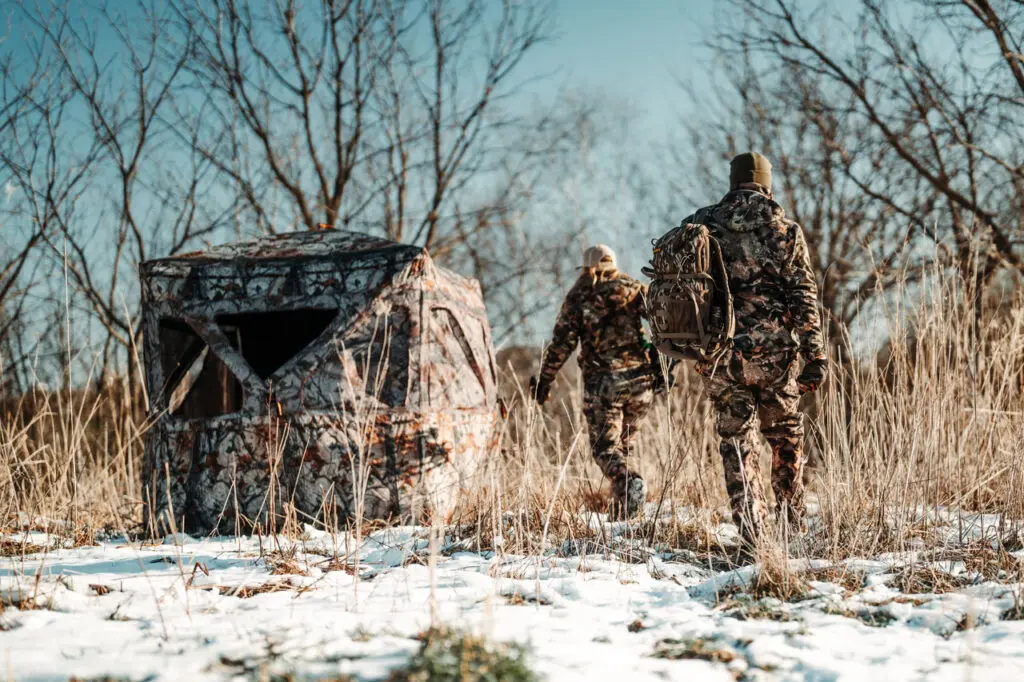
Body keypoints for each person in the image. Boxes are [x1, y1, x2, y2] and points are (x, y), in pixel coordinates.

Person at [682, 152, 827, 542]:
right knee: (784, 434)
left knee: (735, 439)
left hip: (719, 355)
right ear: (766, 183)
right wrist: (816, 354)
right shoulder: (784, 230)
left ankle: (752, 531)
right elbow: (802, 294)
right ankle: (791, 523)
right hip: (774, 355)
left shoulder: (700, 225)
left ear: (733, 182)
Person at [531, 245, 668, 519]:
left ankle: (629, 483)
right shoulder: (634, 288)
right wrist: (665, 367)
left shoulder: (580, 296)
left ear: (586, 267)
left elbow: (561, 344)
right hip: (642, 383)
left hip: (604, 384)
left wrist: (545, 380)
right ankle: (623, 512)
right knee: (624, 446)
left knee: (605, 449)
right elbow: (665, 321)